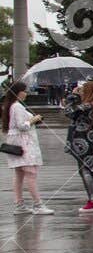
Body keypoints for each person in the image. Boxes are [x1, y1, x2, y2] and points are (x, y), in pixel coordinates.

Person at [2, 81, 52, 214]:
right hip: (24, 144)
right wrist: (33, 120)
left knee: (19, 174)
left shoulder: (11, 106)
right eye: (24, 90)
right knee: (31, 173)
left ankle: (20, 204)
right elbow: (22, 125)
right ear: (18, 92)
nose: (26, 93)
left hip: (15, 143)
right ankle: (38, 204)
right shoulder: (17, 106)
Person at [65, 79, 93, 212]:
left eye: (83, 90)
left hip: (82, 141)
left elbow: (69, 112)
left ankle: (92, 200)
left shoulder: (86, 106)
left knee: (84, 169)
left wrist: (72, 97)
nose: (81, 92)